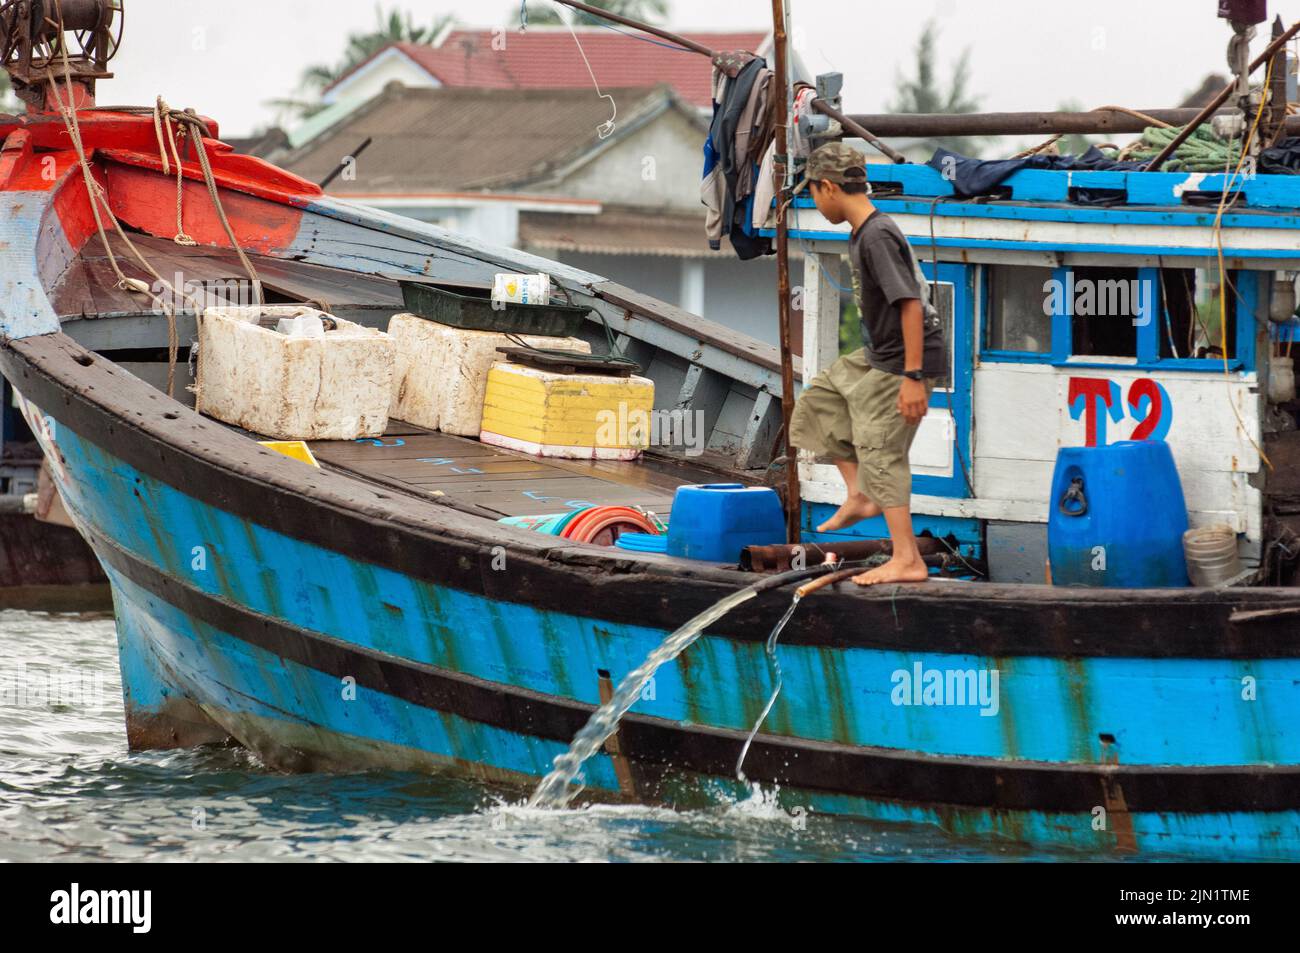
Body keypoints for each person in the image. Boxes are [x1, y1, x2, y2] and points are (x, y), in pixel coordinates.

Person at [788, 142, 946, 585]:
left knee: (881, 450)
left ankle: (907, 559)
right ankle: (859, 495)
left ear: (827, 187)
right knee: (821, 400)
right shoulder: (863, 232)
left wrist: (913, 377)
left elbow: (910, 305)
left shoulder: (876, 235)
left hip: (903, 361)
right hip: (880, 354)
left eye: (814, 195)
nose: (816, 205)